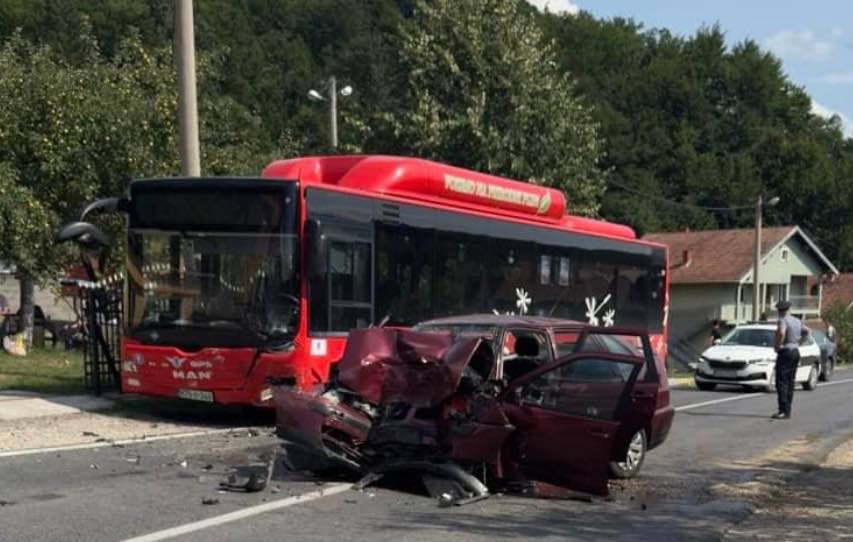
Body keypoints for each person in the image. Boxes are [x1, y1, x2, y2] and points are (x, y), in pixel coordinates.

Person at [772, 300, 809, 420]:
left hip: (786, 351)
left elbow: (781, 333)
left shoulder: (783, 320)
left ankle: (783, 410)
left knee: (781, 381)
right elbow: (808, 331)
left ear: (780, 311)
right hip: (795, 351)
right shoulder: (797, 320)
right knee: (790, 381)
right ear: (789, 309)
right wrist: (800, 343)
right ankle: (788, 409)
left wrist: (778, 345)